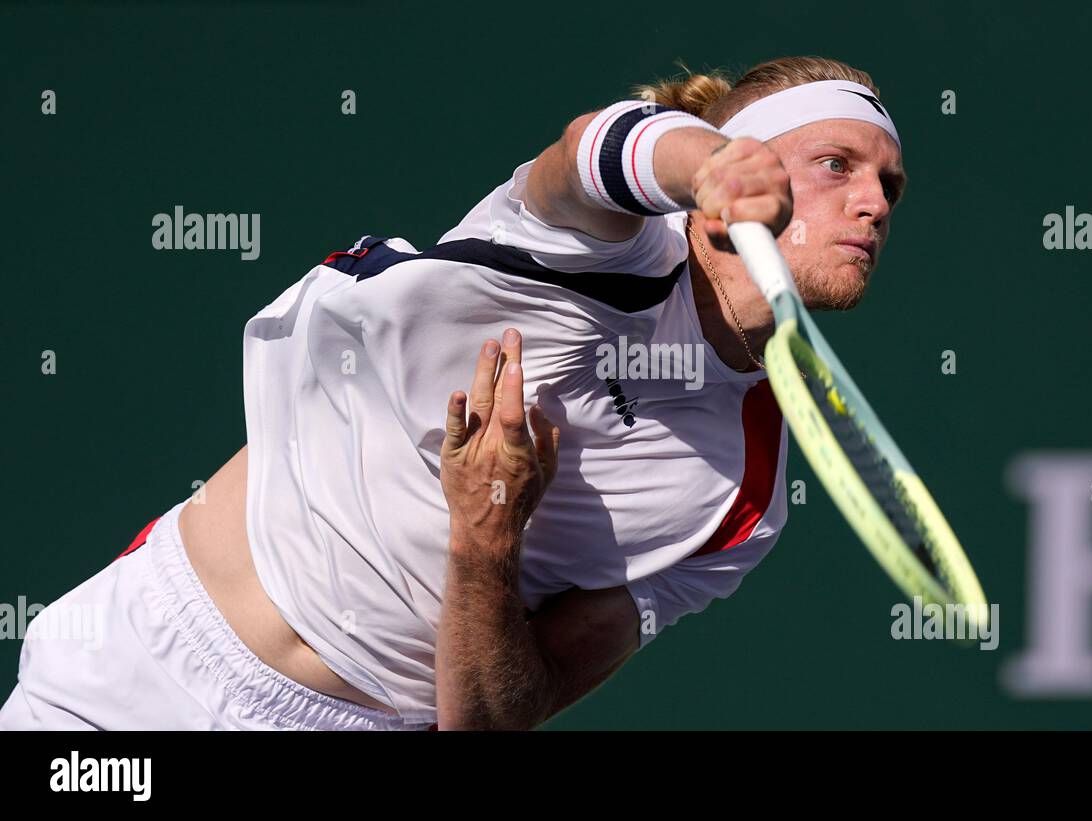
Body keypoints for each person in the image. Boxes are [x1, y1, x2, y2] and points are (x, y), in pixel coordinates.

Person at [0, 55, 905, 730]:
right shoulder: (600, 241)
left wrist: (487, 539)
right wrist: (704, 161)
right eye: (838, 163)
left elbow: (494, 718)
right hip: (130, 668)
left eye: (888, 185)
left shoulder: (745, 504)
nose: (875, 203)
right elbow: (597, 146)